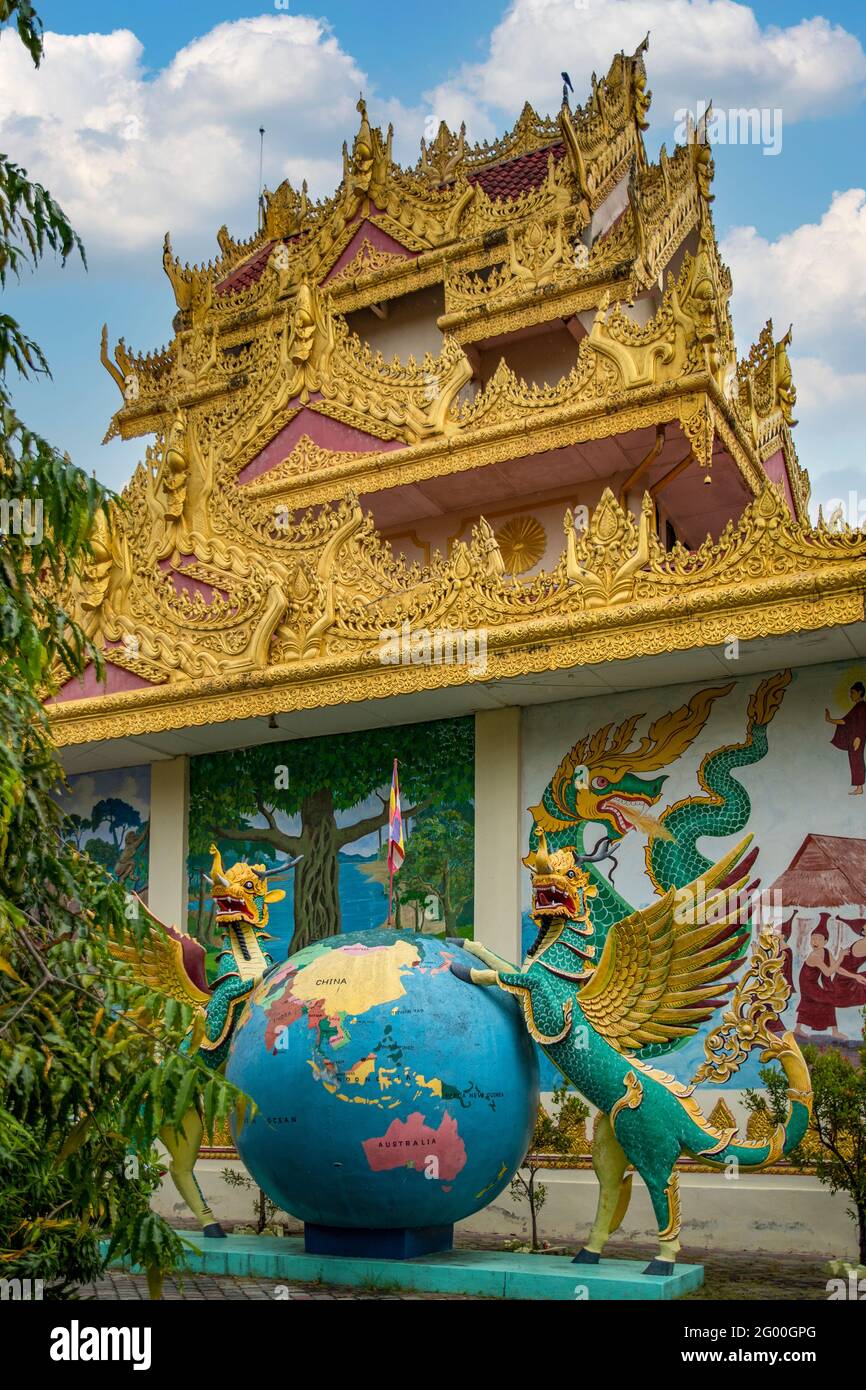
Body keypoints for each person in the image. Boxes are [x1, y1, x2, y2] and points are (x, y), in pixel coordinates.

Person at [796, 916, 845, 1040]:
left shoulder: (826, 952)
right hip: (807, 982)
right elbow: (828, 973)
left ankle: (797, 1029)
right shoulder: (814, 956)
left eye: (818, 939)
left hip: (812, 982)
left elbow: (836, 968)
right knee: (828, 1000)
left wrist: (854, 976)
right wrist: (841, 957)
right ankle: (835, 1032)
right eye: (812, 939)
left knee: (808, 1003)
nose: (814, 942)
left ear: (825, 941)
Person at [825, 681, 866, 795]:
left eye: (853, 692)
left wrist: (858, 737)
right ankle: (859, 787)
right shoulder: (857, 707)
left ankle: (859, 788)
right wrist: (830, 720)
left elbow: (862, 724)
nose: (850, 695)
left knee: (857, 761)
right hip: (854, 738)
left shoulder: (862, 707)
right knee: (854, 761)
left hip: (857, 739)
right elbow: (845, 721)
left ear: (860, 692)